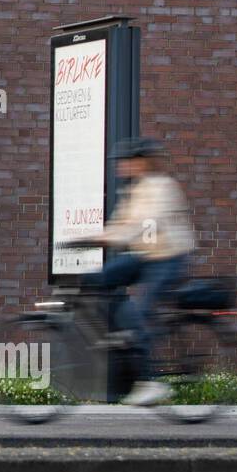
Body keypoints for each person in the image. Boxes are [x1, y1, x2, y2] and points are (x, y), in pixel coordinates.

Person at [71, 137, 196, 407]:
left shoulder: (163, 186)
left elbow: (147, 223)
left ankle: (149, 382)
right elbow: (121, 223)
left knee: (141, 312)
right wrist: (92, 238)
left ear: (141, 162)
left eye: (126, 161)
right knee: (97, 279)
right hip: (145, 255)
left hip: (169, 257)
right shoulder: (134, 190)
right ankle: (120, 335)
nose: (121, 167)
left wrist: (114, 237)